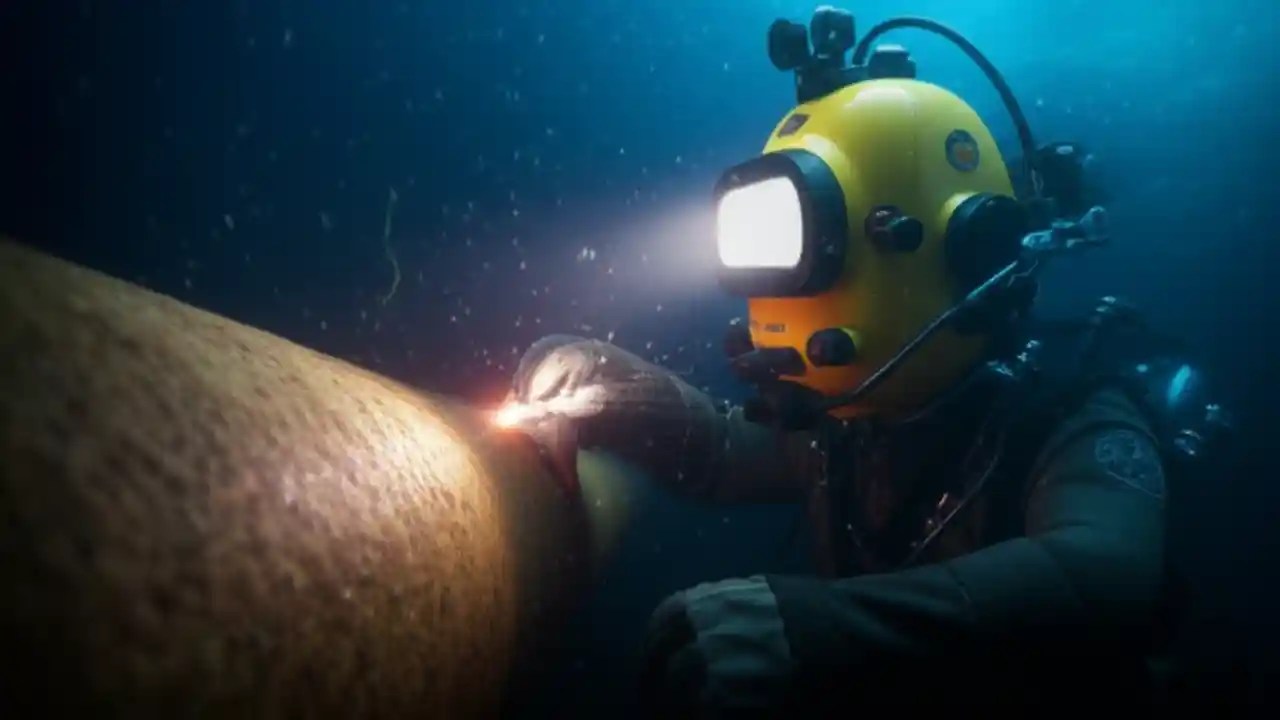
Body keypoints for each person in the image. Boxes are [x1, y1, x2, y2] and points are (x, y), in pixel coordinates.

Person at [502, 8, 1228, 715]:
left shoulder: (1072, 414)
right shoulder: (858, 423)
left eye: (817, 244)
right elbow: (724, 452)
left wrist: (822, 628)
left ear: (976, 248)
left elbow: (1102, 575)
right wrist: (613, 389)